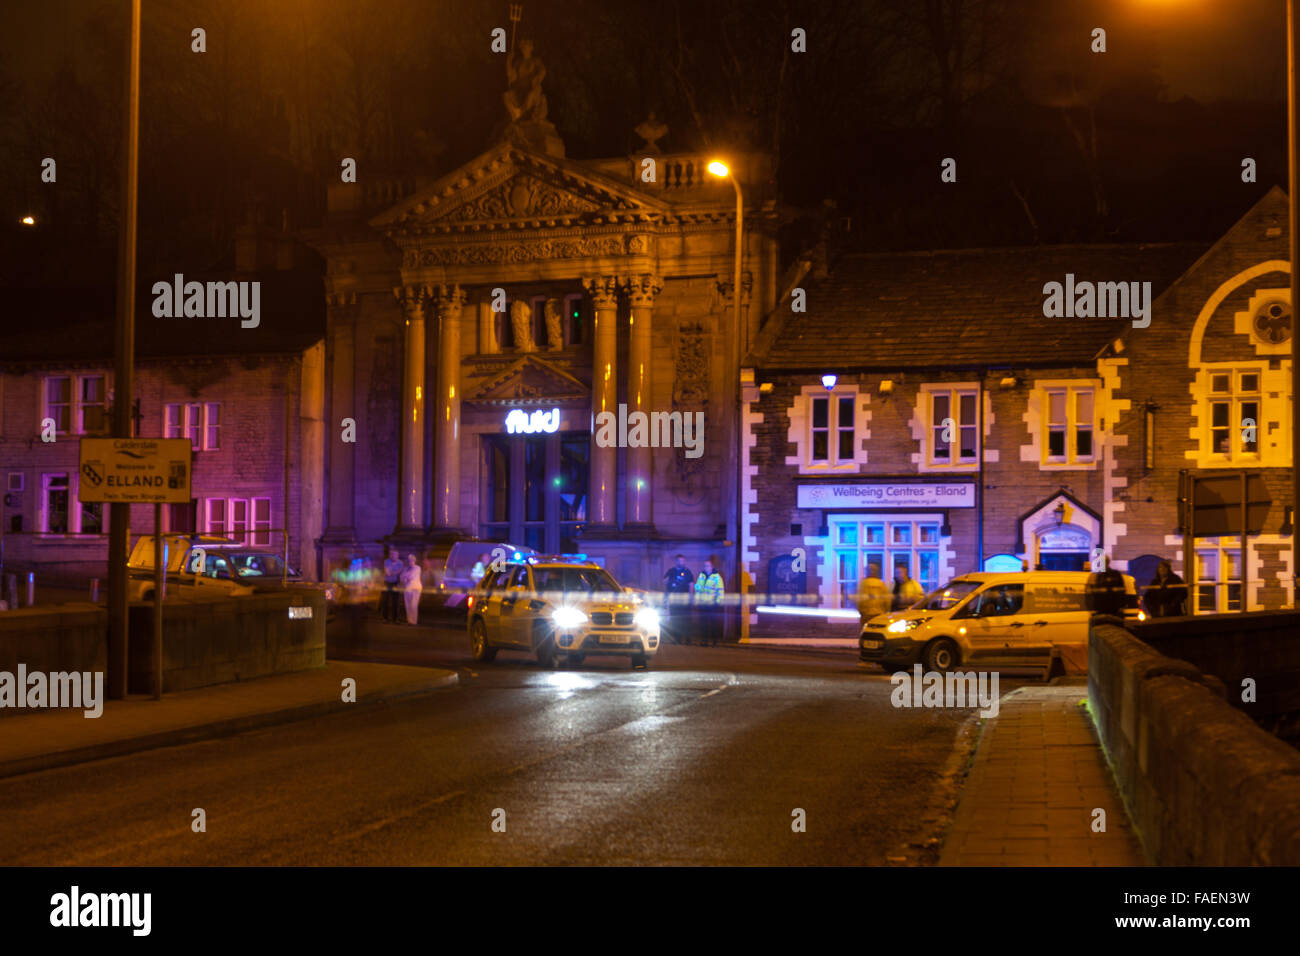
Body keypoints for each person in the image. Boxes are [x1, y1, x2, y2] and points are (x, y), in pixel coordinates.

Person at [694, 555, 725, 647]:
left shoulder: (717, 577)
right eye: (705, 566)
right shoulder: (701, 575)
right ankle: (704, 641)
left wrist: (718, 602)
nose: (706, 567)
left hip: (712, 604)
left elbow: (720, 590)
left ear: (712, 567)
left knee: (713, 624)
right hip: (703, 604)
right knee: (703, 624)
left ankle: (715, 642)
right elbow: (697, 588)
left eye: (708, 566)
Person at [663, 554, 694, 644]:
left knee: (686, 621)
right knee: (675, 621)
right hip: (674, 600)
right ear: (676, 561)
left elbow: (691, 585)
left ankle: (688, 640)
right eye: (679, 561)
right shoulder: (671, 571)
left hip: (684, 600)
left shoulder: (687, 572)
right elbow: (664, 582)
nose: (681, 562)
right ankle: (677, 639)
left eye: (683, 561)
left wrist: (691, 598)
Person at [400, 553, 423, 626]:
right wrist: (405, 578)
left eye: (412, 560)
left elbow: (411, 577)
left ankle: (413, 621)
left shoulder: (417, 568)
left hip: (415, 588)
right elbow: (401, 578)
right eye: (409, 560)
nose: (410, 561)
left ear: (414, 560)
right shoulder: (406, 568)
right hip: (407, 588)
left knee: (413, 605)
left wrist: (405, 577)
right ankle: (409, 620)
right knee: (407, 605)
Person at [382, 547, 403, 622]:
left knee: (396, 601)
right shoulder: (386, 561)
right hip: (387, 583)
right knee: (386, 601)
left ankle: (395, 618)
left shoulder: (400, 563)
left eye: (396, 554)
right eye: (392, 554)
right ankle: (385, 618)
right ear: (390, 555)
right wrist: (394, 572)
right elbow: (387, 572)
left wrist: (392, 572)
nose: (394, 556)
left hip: (396, 583)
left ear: (397, 555)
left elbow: (399, 572)